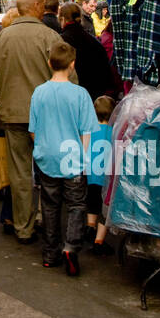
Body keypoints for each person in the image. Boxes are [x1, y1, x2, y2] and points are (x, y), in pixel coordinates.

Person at [0, 0, 59, 243]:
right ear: (37, 7)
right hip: (46, 116)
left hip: (13, 115)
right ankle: (48, 224)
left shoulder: (2, 38)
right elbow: (68, 77)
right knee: (49, 172)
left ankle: (23, 227)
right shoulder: (51, 37)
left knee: (20, 172)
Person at [29, 39, 99, 276]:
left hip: (46, 155)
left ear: (49, 63)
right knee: (77, 204)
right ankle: (71, 246)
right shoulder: (80, 94)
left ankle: (50, 253)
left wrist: (41, 146)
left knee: (50, 205)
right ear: (72, 64)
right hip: (73, 156)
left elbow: (33, 129)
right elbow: (86, 131)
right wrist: (84, 156)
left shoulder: (39, 93)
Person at [59, 1, 115, 101]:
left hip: (68, 95)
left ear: (62, 19)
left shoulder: (61, 41)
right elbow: (106, 73)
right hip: (93, 96)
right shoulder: (94, 41)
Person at [88, 95, 115, 250]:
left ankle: (89, 226)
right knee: (105, 211)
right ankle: (99, 241)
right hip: (106, 180)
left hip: (90, 177)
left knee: (92, 204)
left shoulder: (90, 130)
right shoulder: (114, 132)